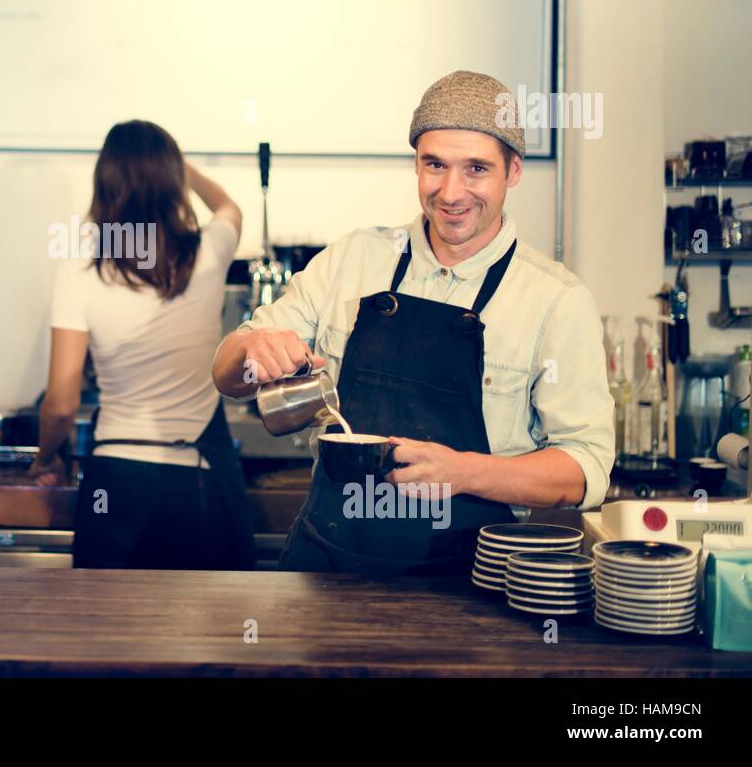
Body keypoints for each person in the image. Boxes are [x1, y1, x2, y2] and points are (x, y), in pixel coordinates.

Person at [212, 71, 614, 576]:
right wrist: (252, 350)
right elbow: (229, 376)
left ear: (513, 171)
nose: (451, 192)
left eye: (476, 169)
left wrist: (465, 473)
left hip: (470, 582)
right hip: (326, 569)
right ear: (416, 164)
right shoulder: (352, 260)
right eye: (435, 165)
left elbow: (585, 469)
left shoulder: (556, 301)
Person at [30, 120, 255, 569]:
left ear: (105, 183)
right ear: (174, 182)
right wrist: (179, 166)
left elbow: (60, 403)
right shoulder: (209, 253)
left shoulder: (80, 270)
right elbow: (229, 206)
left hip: (116, 480)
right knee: (204, 633)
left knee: (109, 631)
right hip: (198, 480)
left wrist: (45, 458)